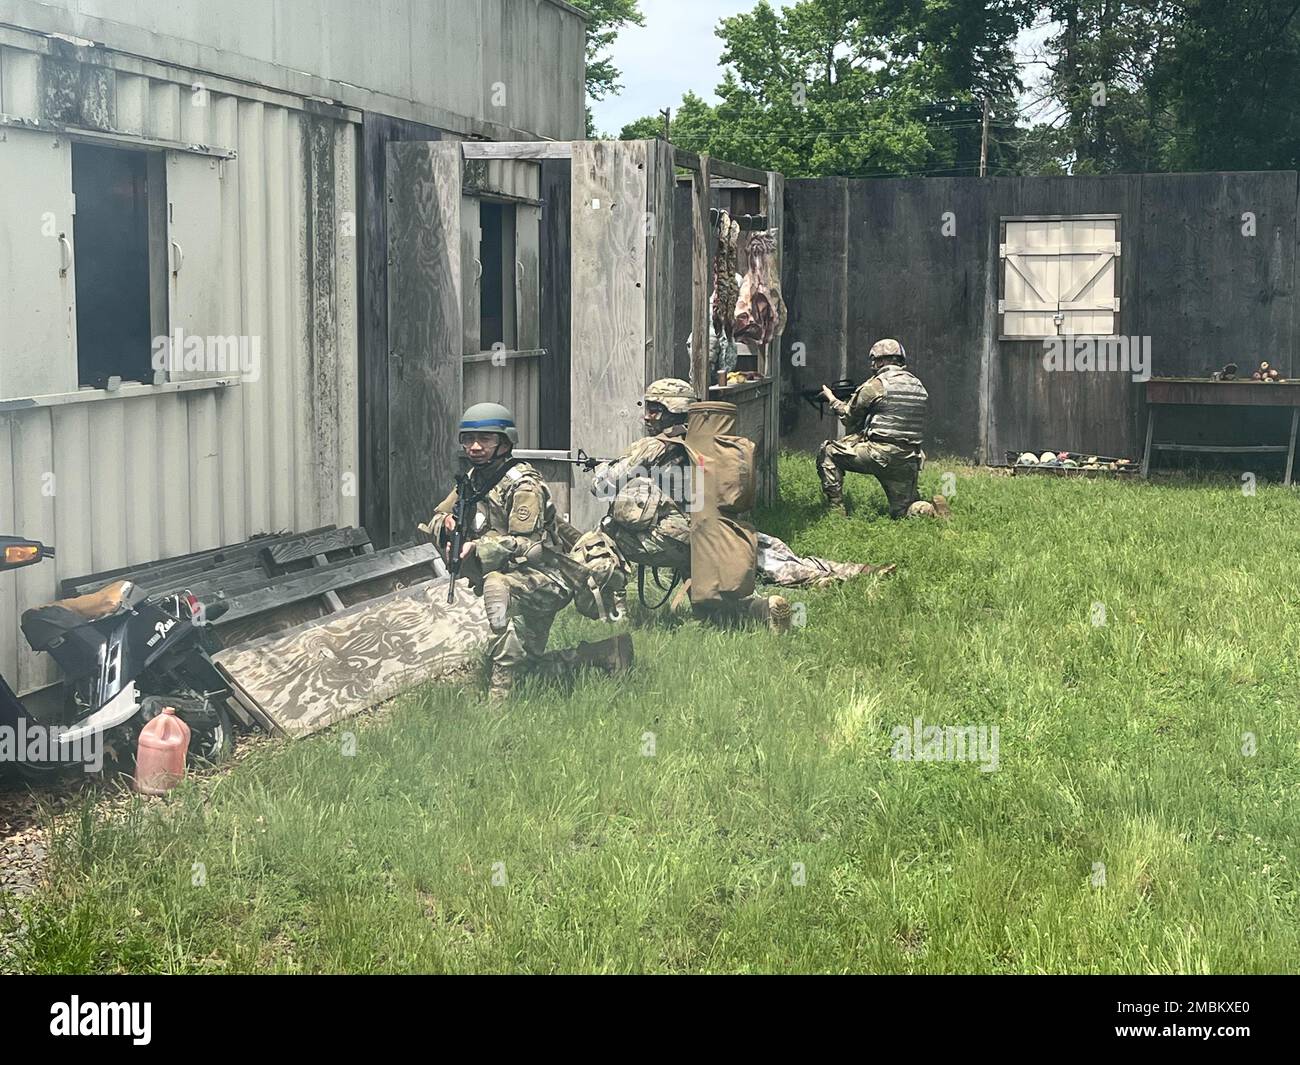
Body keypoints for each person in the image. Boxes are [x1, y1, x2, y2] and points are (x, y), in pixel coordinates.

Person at [432, 402, 632, 702]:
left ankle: (497, 703)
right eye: (468, 439)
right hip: (519, 580)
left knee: (497, 588)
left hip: (549, 577)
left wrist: (480, 547)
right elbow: (435, 517)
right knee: (529, 670)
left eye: (485, 439)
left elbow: (531, 548)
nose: (474, 446)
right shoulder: (474, 479)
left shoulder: (524, 484)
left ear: (505, 442)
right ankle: (605, 653)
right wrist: (445, 526)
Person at [590, 378, 795, 630]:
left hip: (670, 540)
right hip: (707, 537)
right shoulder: (703, 445)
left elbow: (602, 486)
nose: (647, 417)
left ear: (672, 411)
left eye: (654, 410)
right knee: (711, 611)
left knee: (600, 539)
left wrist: (601, 468)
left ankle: (615, 621)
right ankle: (761, 609)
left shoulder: (653, 446)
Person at [817, 338, 945, 519]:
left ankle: (836, 512)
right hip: (909, 457)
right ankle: (931, 511)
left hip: (879, 454)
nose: (872, 365)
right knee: (903, 510)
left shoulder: (877, 384)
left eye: (874, 360)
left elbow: (848, 417)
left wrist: (831, 398)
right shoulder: (918, 385)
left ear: (882, 361)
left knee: (828, 451)